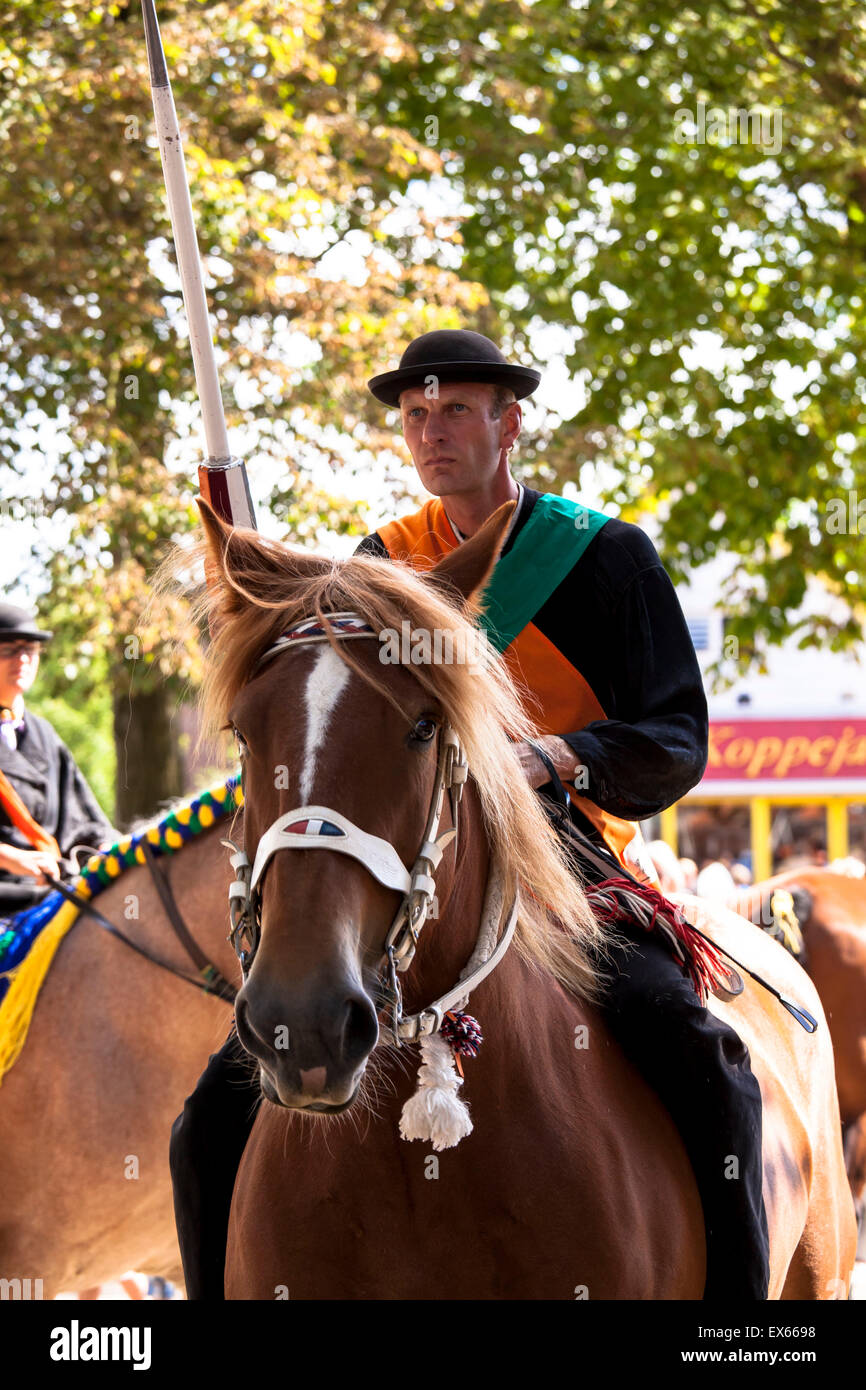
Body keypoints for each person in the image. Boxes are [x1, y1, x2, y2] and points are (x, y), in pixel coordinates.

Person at [170, 330, 769, 1301]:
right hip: (406, 860)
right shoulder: (380, 567)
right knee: (207, 1121)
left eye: (452, 409)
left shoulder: (605, 558)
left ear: (508, 421)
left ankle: (740, 1330)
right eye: (414, 414)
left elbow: (676, 736)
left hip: (569, 858)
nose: (429, 430)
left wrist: (555, 754)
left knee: (704, 1058)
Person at [0, 602, 115, 916]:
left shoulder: (43, 734)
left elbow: (83, 820)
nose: (22, 659)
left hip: (55, 885)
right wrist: (9, 857)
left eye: (31, 650)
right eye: (9, 649)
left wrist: (110, 849)